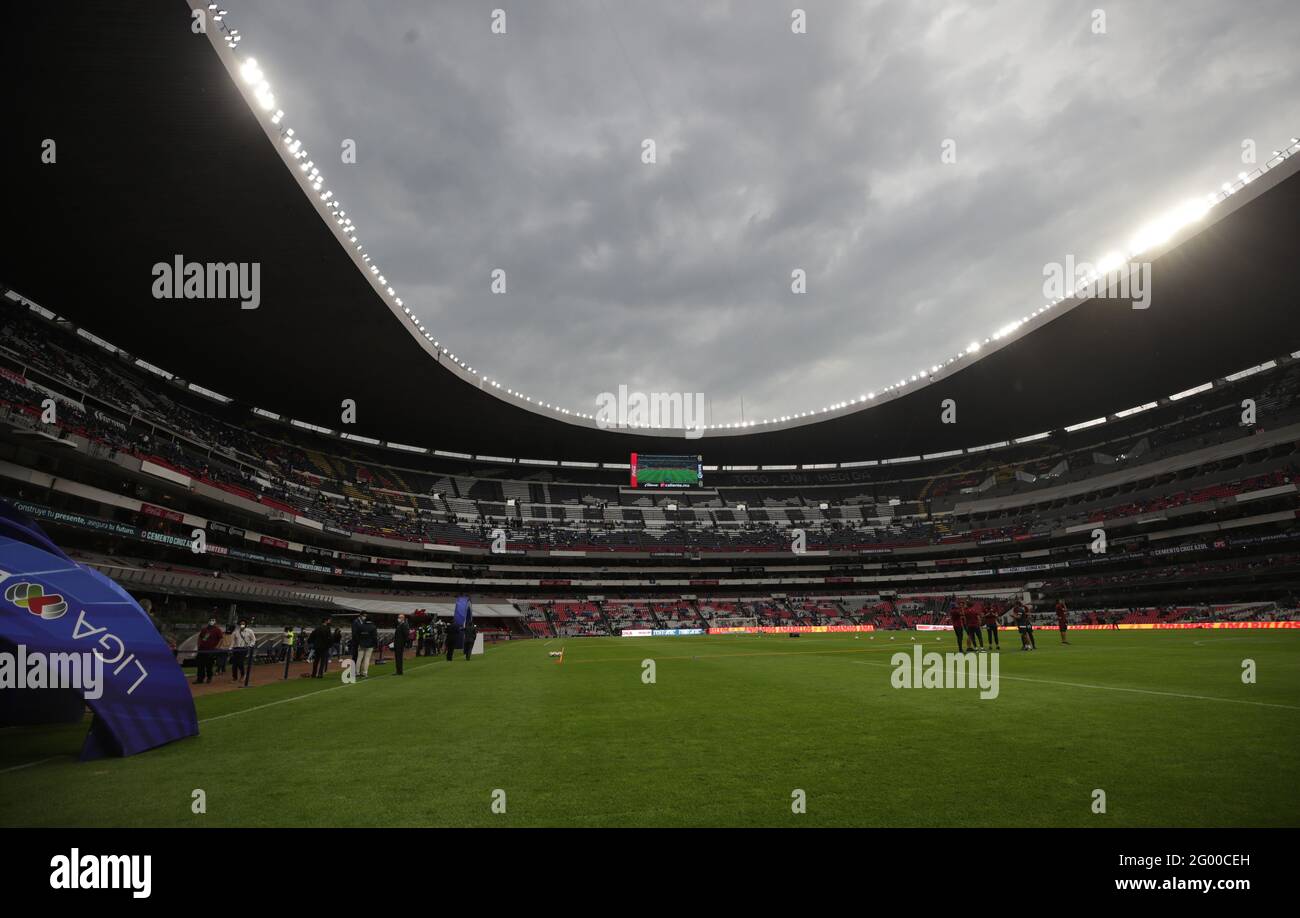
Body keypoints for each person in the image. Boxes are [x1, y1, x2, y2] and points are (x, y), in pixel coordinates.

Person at [194, 616, 223, 684]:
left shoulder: (217, 630)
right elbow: (200, 637)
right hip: (202, 650)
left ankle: (209, 678)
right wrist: (198, 646)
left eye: (213, 620)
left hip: (211, 650)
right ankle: (200, 679)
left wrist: (217, 647)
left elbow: (221, 639)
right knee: (200, 665)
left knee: (209, 665)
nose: (211, 621)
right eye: (210, 620)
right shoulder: (204, 629)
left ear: (215, 622)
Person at [355, 613, 378, 677]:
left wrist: (359, 642)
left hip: (361, 644)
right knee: (367, 658)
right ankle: (364, 672)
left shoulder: (361, 626)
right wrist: (376, 645)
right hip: (370, 645)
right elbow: (374, 637)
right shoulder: (373, 627)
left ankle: (357, 672)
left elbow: (357, 635)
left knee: (359, 658)